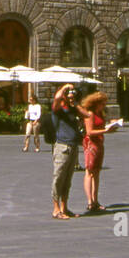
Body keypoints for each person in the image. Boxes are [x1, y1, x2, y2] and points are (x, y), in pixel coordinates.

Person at [50, 85, 83, 219]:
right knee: (59, 178)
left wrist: (75, 104)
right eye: (68, 95)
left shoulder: (72, 110)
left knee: (67, 179)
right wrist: (65, 87)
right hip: (62, 147)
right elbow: (57, 97)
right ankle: (56, 209)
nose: (71, 96)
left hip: (73, 147)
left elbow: (86, 114)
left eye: (73, 94)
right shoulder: (58, 110)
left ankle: (65, 207)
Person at [80, 91, 115, 213]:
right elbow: (89, 132)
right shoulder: (90, 114)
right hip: (91, 143)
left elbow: (101, 126)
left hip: (99, 143)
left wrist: (111, 125)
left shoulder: (100, 113)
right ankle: (90, 201)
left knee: (97, 172)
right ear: (96, 103)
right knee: (89, 171)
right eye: (102, 103)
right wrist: (105, 131)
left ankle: (96, 200)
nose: (104, 106)